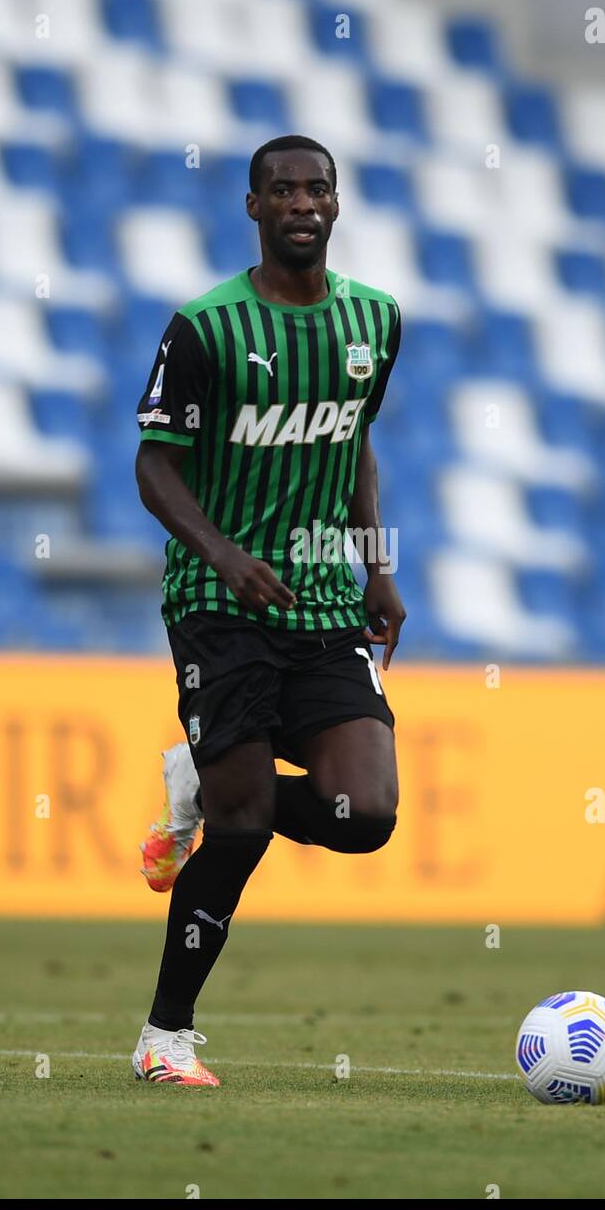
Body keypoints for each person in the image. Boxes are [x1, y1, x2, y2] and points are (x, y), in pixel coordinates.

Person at [131, 135, 405, 1087]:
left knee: (364, 812)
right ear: (252, 207)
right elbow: (154, 463)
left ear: (337, 203)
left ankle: (199, 781)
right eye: (282, 189)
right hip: (220, 602)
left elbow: (353, 444)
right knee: (244, 827)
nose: (302, 202)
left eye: (317, 188)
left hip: (327, 602)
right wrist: (224, 554)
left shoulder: (376, 320)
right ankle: (165, 1038)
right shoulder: (205, 327)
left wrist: (379, 569)